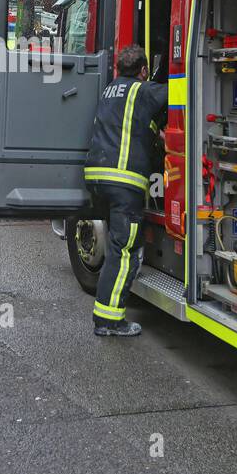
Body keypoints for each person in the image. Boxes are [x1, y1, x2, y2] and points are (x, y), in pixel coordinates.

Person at [83, 44, 169, 338]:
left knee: (117, 244)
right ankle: (108, 320)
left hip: (97, 179)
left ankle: (107, 314)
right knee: (123, 251)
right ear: (143, 71)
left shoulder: (110, 90)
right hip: (123, 184)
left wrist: (154, 131)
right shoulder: (143, 91)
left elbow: (129, 125)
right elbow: (181, 89)